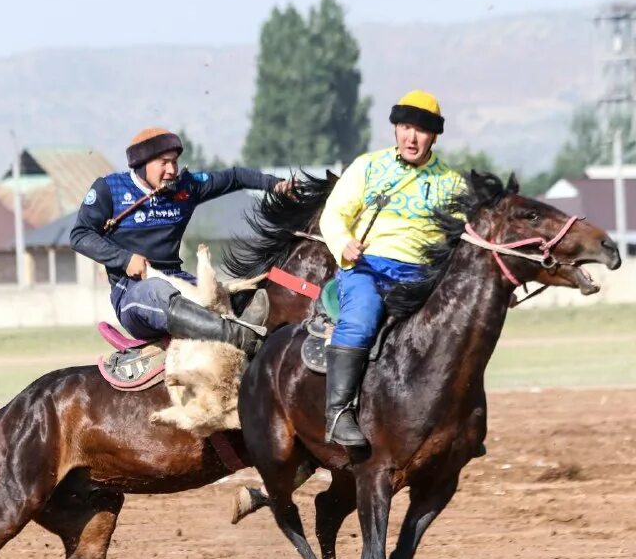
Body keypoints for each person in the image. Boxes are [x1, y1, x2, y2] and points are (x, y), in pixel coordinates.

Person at [319, 90, 465, 446]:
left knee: (460, 332)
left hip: (421, 278)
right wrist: (343, 243)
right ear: (396, 129)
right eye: (405, 127)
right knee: (361, 318)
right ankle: (338, 413)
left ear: (434, 136)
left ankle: (460, 416)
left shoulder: (451, 183)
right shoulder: (368, 167)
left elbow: (461, 241)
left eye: (421, 130)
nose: (411, 137)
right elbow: (334, 214)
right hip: (366, 269)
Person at [70, 128, 291, 356]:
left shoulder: (187, 187)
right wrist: (124, 259)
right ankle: (235, 337)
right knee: (157, 289)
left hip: (179, 280)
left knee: (226, 297)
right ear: (142, 164)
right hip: (132, 292)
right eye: (164, 163)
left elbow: (234, 177)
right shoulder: (109, 189)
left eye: (175, 162)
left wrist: (275, 184)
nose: (172, 170)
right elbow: (79, 235)